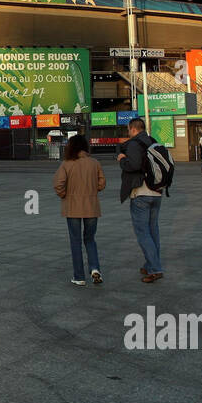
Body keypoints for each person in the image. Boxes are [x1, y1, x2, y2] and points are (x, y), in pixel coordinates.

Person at [52, 133, 106, 287]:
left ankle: (79, 276)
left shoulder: (67, 164)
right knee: (90, 239)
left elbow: (58, 184)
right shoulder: (94, 163)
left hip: (72, 208)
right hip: (92, 207)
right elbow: (102, 183)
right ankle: (95, 268)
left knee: (75, 241)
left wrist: (64, 195)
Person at [118, 118, 164, 283]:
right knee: (153, 231)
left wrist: (122, 159)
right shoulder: (153, 142)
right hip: (157, 192)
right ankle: (151, 263)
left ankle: (155, 268)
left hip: (141, 193)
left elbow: (134, 165)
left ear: (132, 129)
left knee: (143, 233)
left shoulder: (134, 144)